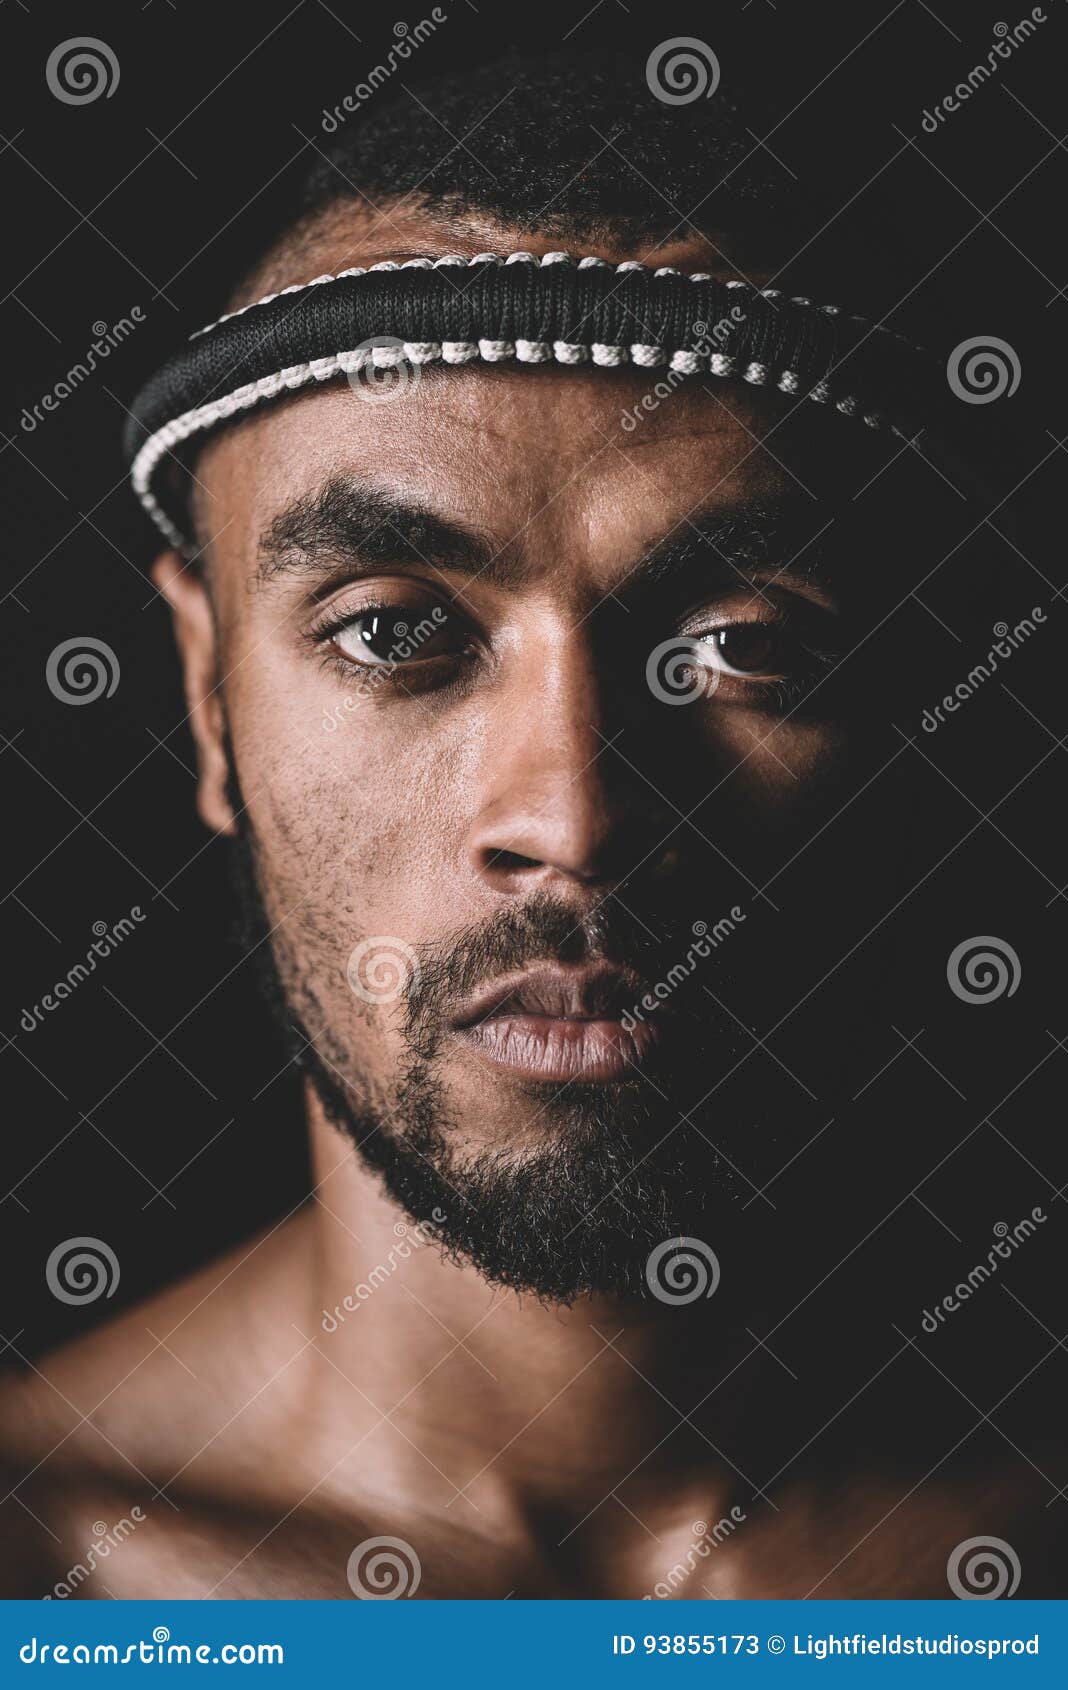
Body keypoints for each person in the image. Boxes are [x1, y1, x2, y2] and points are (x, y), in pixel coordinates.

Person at [2, 53, 1061, 1600]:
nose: (574, 815)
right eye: (390, 629)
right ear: (207, 692)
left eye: (743, 643)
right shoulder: (49, 1579)